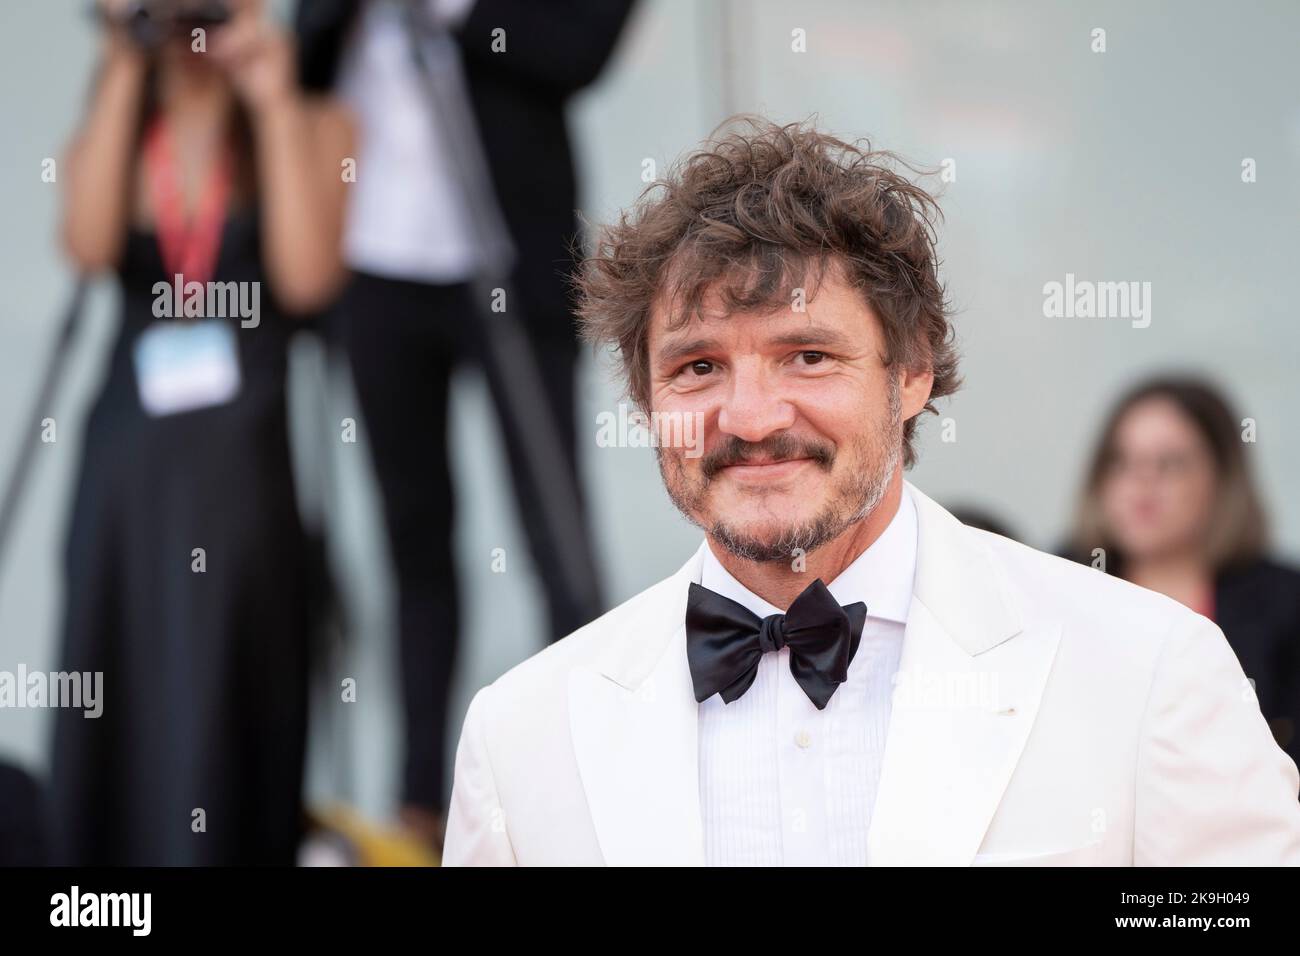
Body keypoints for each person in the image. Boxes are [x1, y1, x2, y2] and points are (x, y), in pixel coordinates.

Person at [441, 117, 1300, 866]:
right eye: (698, 367)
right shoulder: (522, 736)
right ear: (647, 402)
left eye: (807, 356)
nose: (749, 418)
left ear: (912, 371)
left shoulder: (1146, 670)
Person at [293, 0, 635, 849]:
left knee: (556, 532)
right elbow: (301, 55)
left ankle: (599, 779)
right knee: (413, 543)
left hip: (510, 255)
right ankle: (417, 805)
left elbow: (580, 47)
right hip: (376, 264)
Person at [50, 0, 353, 864]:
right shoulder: (124, 106)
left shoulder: (314, 117)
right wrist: (122, 57)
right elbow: (86, 241)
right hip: (130, 460)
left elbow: (307, 279)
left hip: (241, 459)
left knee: (227, 676)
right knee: (118, 670)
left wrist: (269, 93)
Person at [1067, 376, 1300, 768]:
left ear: (1222, 479)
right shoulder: (1061, 582)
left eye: (1170, 464)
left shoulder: (1285, 604)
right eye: (1123, 462)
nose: (1142, 483)